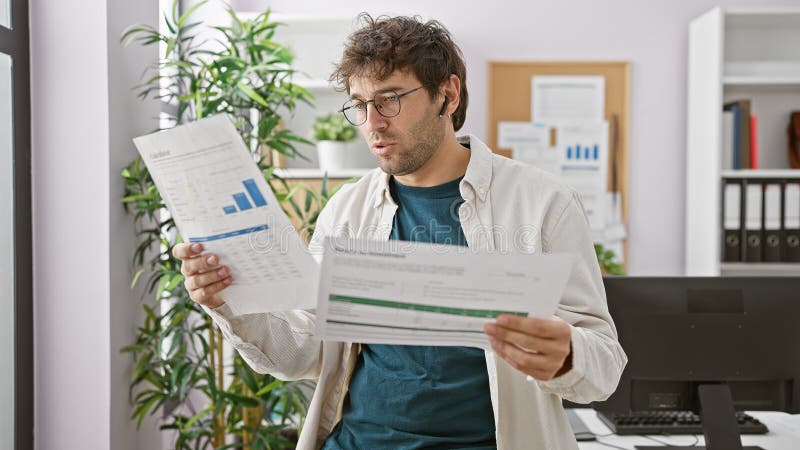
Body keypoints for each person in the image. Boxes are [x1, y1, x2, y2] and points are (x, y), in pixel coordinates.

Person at [172, 13, 626, 450]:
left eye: (389, 99)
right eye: (360, 105)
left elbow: (604, 368)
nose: (372, 124)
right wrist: (230, 303)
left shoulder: (544, 203)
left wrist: (567, 354)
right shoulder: (346, 210)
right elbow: (304, 353)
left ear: (447, 96)